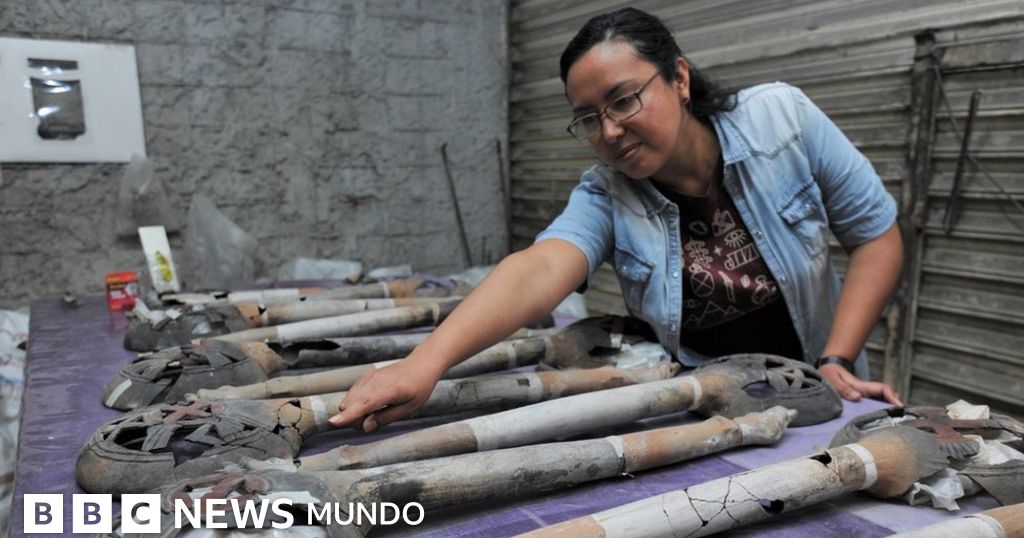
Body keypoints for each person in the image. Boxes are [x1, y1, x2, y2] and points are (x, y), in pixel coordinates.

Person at [330, 7, 903, 432]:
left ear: (678, 79)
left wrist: (836, 359)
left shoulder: (782, 121)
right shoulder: (607, 194)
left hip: (822, 386)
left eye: (624, 100)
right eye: (588, 117)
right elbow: (539, 268)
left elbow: (875, 235)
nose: (608, 132)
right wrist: (423, 364)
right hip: (713, 405)